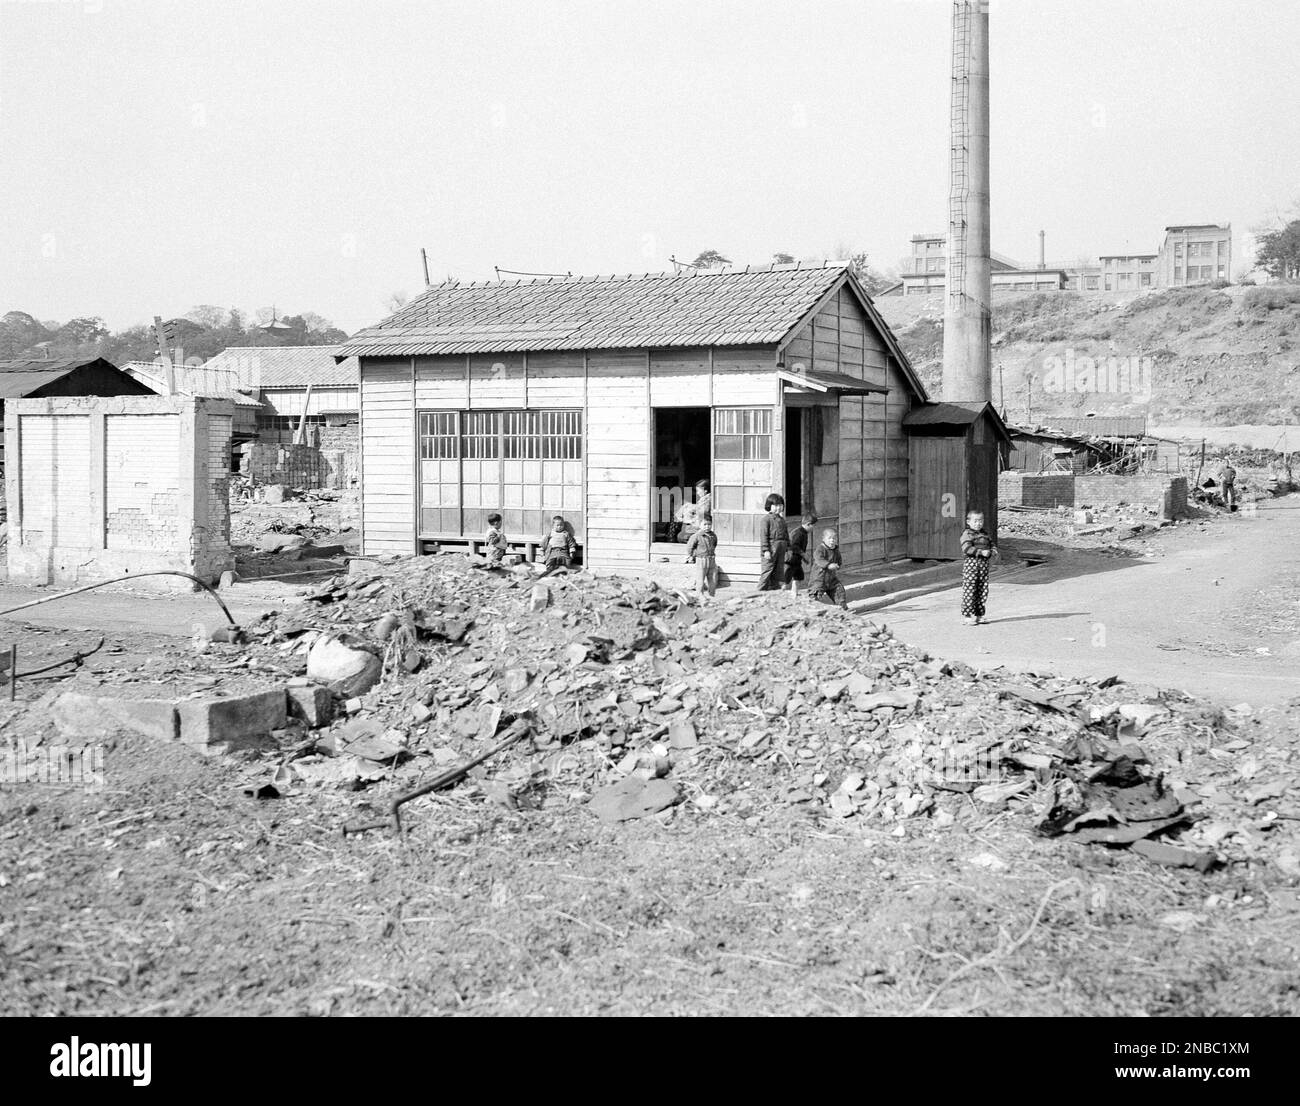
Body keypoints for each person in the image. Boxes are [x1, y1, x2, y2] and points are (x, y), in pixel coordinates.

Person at [960, 509, 997, 625]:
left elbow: (992, 546)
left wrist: (993, 552)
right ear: (968, 522)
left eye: (981, 521)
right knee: (970, 590)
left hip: (984, 566)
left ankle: (979, 614)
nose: (978, 523)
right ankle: (967, 616)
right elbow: (966, 548)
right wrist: (981, 552)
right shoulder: (967, 534)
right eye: (975, 521)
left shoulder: (985, 534)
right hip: (971, 565)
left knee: (982, 590)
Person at [809, 527, 848, 609]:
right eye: (829, 538)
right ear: (823, 539)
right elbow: (818, 559)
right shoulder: (820, 549)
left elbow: (839, 561)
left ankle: (843, 610)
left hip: (831, 579)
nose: (832, 540)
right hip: (819, 579)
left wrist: (838, 565)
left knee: (840, 592)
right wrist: (828, 565)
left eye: (834, 538)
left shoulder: (836, 550)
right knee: (814, 598)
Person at [758, 493, 789, 591]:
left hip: (781, 547)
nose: (778, 508)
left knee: (779, 569)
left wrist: (788, 546)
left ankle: (774, 590)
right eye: (775, 505)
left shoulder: (782, 520)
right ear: (769, 506)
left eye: (780, 505)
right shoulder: (766, 520)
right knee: (768, 569)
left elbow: (786, 534)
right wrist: (765, 550)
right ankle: (760, 590)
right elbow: (764, 536)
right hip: (771, 548)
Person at [684, 514, 719, 596]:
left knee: (713, 579)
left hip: (711, 559)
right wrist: (690, 555)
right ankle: (699, 597)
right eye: (705, 524)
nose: (707, 527)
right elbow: (690, 546)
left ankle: (712, 596)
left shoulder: (713, 535)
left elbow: (714, 544)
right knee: (700, 579)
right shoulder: (696, 536)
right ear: (699, 525)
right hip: (701, 560)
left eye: (709, 524)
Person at [672, 479, 712, 543]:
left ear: (705, 490)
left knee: (681, 536)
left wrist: (690, 509)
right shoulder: (704, 499)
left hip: (701, 525)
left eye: (698, 491)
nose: (697, 493)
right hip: (697, 524)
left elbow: (702, 513)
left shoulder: (708, 500)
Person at [786, 513, 816, 594]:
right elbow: (793, 546)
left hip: (796, 560)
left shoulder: (804, 533)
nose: (814, 528)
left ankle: (794, 594)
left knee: (799, 576)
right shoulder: (798, 533)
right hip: (790, 560)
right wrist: (804, 555)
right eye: (813, 525)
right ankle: (779, 595)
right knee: (785, 580)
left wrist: (804, 558)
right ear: (808, 524)